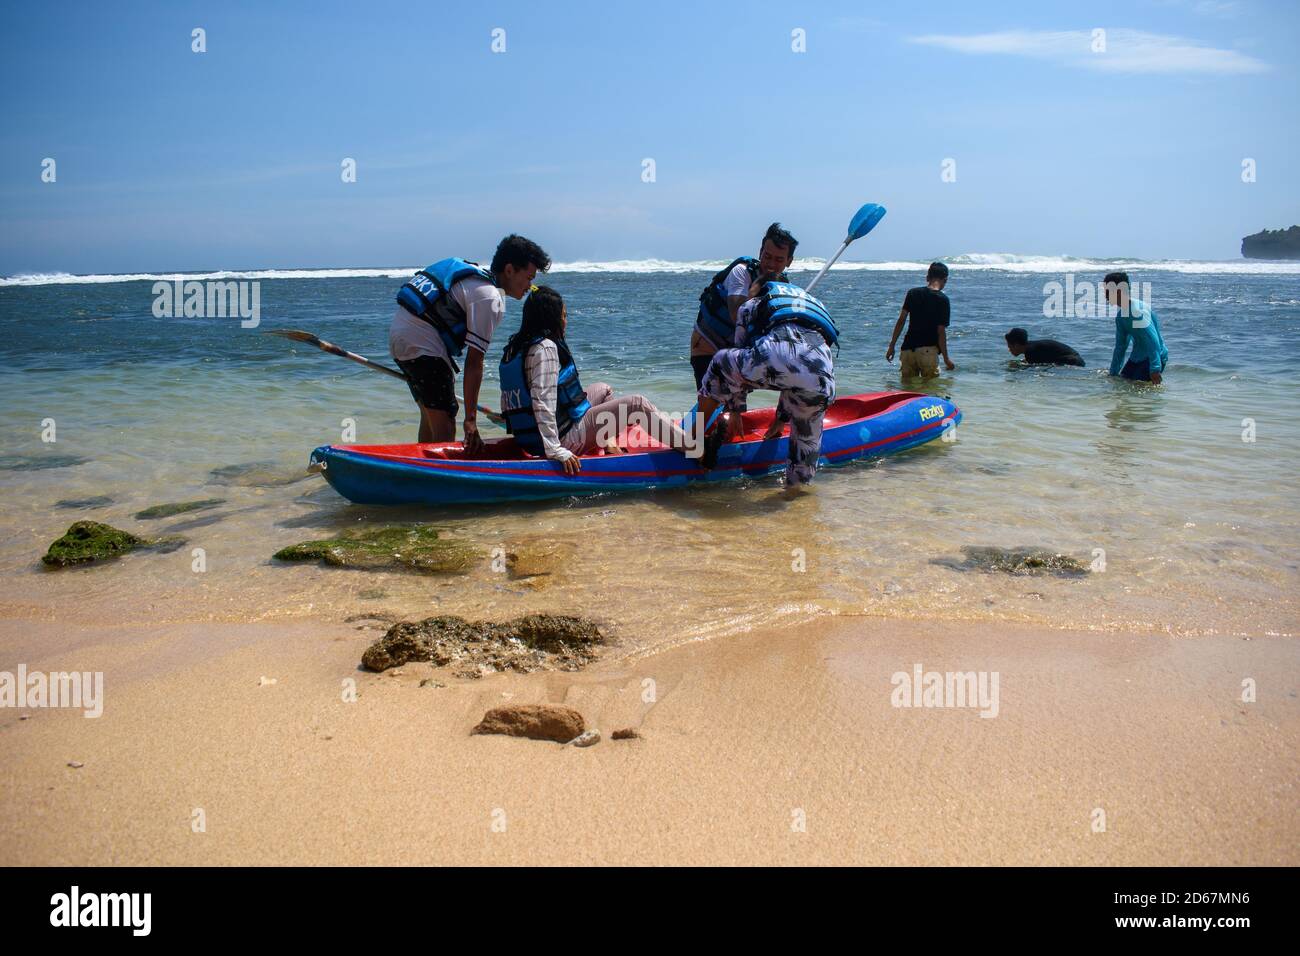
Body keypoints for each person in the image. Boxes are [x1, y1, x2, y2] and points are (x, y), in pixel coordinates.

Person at [499, 286, 697, 474]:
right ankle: (698, 450)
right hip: (560, 440)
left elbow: (512, 400)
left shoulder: (514, 349)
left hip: (528, 440)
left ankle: (609, 446)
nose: (566, 322)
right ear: (551, 319)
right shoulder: (546, 348)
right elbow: (543, 403)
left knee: (603, 389)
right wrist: (556, 450)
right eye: (564, 316)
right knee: (637, 404)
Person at [389, 234, 551, 450]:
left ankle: (421, 465)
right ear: (510, 270)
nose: (530, 285)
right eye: (529, 277)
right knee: (445, 421)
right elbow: (474, 363)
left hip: (400, 337)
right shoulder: (490, 297)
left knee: (430, 415)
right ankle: (437, 478)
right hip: (423, 344)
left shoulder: (476, 279)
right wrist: (471, 421)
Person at [696, 277, 837, 489]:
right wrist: (780, 420)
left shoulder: (751, 305)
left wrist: (736, 410)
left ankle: (693, 438)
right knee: (804, 452)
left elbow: (740, 359)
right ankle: (796, 499)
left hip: (774, 359)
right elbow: (796, 371)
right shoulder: (806, 309)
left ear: (759, 291)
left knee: (720, 362)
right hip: (823, 378)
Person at [691, 223, 798, 429]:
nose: (771, 264)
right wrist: (760, 283)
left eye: (778, 260)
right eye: (767, 256)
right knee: (713, 405)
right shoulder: (742, 273)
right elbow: (738, 315)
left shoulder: (785, 288)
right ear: (760, 252)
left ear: (789, 262)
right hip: (709, 344)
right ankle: (698, 443)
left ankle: (747, 425)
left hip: (740, 354)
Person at [886, 261, 954, 379]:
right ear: (945, 279)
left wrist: (892, 346)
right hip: (928, 351)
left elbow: (901, 320)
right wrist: (946, 358)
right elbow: (941, 331)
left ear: (927, 277)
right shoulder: (943, 300)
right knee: (930, 390)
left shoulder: (913, 293)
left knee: (907, 390)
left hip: (907, 350)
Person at [1103, 272, 1168, 384]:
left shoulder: (1137, 312)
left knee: (1138, 389)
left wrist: (1155, 369)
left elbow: (1153, 342)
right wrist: (1112, 373)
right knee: (1121, 383)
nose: (1105, 295)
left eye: (1107, 291)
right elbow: (1120, 347)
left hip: (1153, 357)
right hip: (1137, 358)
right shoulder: (1121, 317)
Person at [1004, 327, 1085, 366]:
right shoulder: (1031, 348)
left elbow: (1032, 366)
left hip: (1073, 362)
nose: (1009, 350)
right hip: (1077, 360)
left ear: (1016, 345)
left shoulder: (1030, 352)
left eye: (1009, 346)